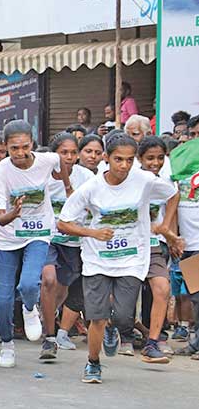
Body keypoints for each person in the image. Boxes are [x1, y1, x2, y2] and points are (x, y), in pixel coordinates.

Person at [57, 133, 177, 383]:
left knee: (123, 318)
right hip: (97, 260)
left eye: (129, 160)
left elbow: (172, 193)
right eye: (118, 159)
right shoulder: (91, 188)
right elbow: (64, 222)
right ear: (106, 158)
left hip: (132, 260)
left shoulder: (143, 180)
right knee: (96, 317)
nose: (124, 166)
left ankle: (115, 327)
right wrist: (93, 232)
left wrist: (165, 226)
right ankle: (93, 363)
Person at [0, 119, 61, 369]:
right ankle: (7, 345)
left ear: (32, 143)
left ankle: (30, 308)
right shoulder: (0, 172)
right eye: (13, 149)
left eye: (24, 147)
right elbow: (0, 217)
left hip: (38, 233)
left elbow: (63, 169)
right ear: (6, 147)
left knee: (29, 283)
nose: (19, 153)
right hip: (7, 237)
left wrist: (68, 182)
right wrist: (15, 212)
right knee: (3, 299)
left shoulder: (48, 160)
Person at [38, 132, 94, 362]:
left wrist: (67, 183)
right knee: (49, 279)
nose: (69, 157)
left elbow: (87, 207)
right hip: (48, 237)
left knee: (61, 289)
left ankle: (47, 318)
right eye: (64, 153)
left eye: (73, 153)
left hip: (74, 240)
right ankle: (50, 336)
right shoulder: (41, 176)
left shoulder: (87, 177)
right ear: (54, 154)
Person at [137, 136, 180, 362]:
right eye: (150, 158)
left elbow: (174, 197)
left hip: (155, 245)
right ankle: (122, 332)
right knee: (125, 303)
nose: (155, 163)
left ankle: (153, 342)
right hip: (129, 248)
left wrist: (167, 231)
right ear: (139, 159)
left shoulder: (164, 180)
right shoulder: (132, 178)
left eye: (160, 158)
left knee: (162, 289)